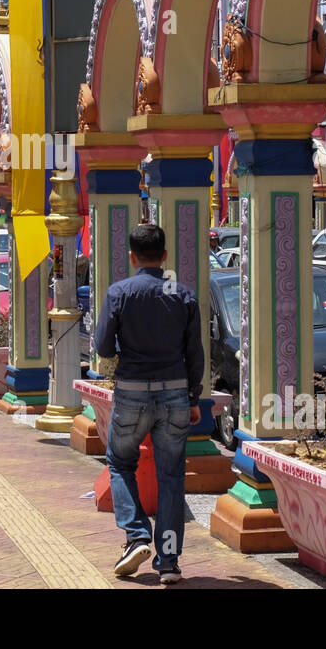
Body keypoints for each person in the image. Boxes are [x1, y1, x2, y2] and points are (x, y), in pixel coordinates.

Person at [93, 223, 203, 585]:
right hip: (175, 393)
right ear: (165, 256)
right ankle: (168, 562)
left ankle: (137, 534)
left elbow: (104, 347)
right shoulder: (183, 295)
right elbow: (195, 353)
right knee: (171, 475)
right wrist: (193, 397)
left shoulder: (119, 293)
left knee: (120, 461)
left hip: (133, 392)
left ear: (132, 256)